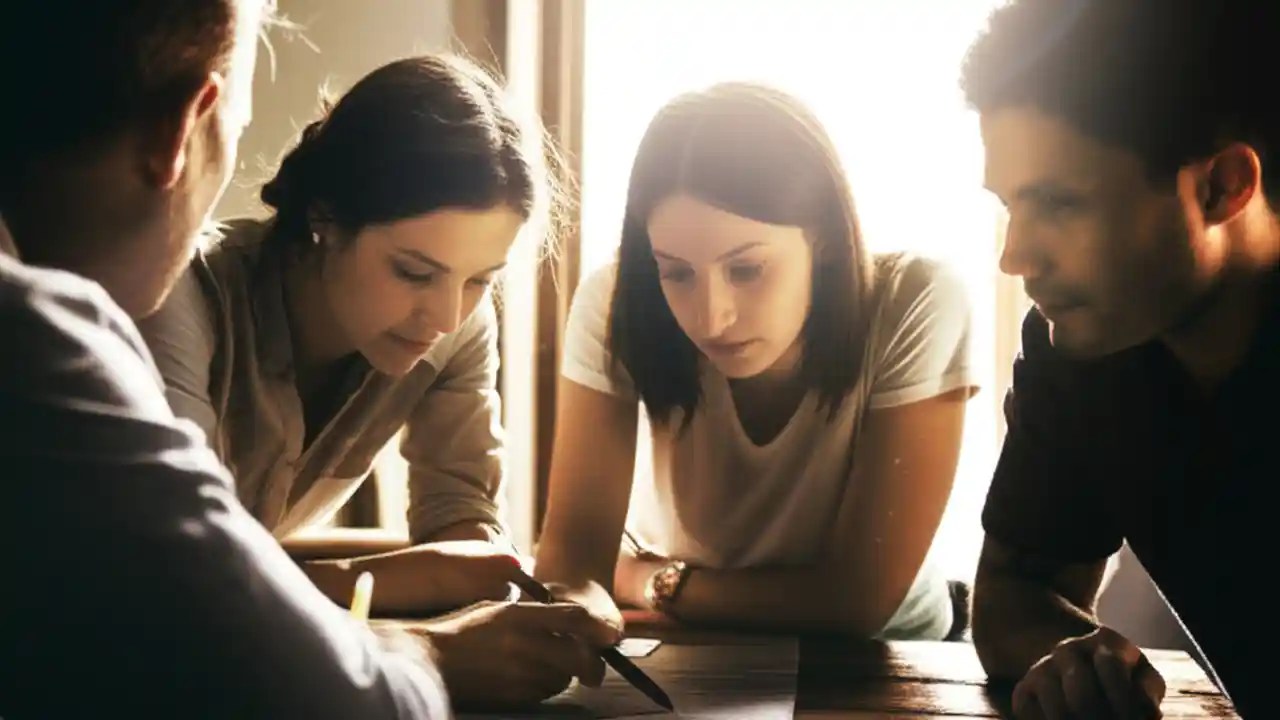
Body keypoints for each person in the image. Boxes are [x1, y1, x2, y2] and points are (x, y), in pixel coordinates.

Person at [0, 1, 460, 716]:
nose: (448, 313)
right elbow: (359, 707)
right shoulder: (36, 349)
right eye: (237, 130)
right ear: (181, 129)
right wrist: (425, 652)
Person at [135, 53, 620, 709]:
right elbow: (168, 593)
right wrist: (390, 586)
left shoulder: (455, 331)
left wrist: (482, 582)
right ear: (325, 221)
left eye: (481, 280)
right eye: (415, 273)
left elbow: (464, 532)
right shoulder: (181, 300)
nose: (447, 315)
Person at [534, 82, 978, 641]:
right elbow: (571, 566)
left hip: (892, 655)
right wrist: (596, 593)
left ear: (824, 239)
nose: (712, 317)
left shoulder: (915, 300)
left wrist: (655, 581)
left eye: (746, 270)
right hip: (691, 641)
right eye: (676, 272)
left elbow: (854, 604)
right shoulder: (618, 299)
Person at [961, 1, 1279, 718]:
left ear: (1223, 186)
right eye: (1011, 205)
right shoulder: (1083, 348)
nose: (1015, 256)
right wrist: (1083, 660)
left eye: (1060, 205)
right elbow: (1015, 595)